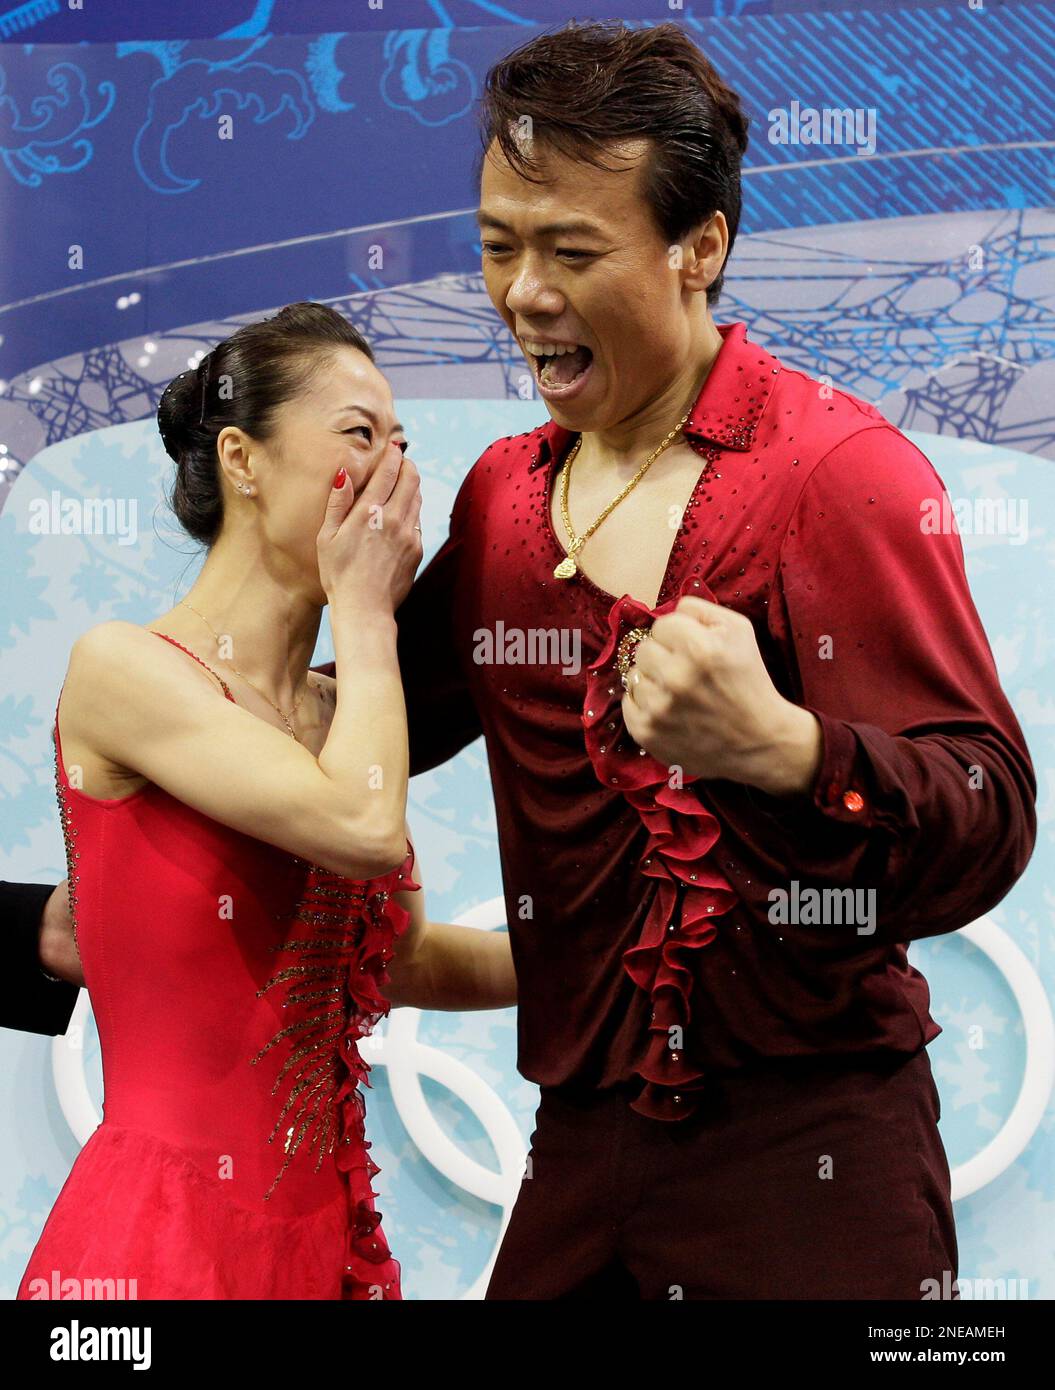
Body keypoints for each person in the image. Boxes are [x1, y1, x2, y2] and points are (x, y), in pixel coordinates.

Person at [14, 302, 516, 1301]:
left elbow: (404, 957)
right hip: (160, 1245)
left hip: (323, 1244)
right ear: (242, 458)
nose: (393, 474)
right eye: (359, 435)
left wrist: (632, 954)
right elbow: (363, 829)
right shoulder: (123, 665)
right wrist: (369, 615)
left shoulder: (345, 711)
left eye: (404, 444)